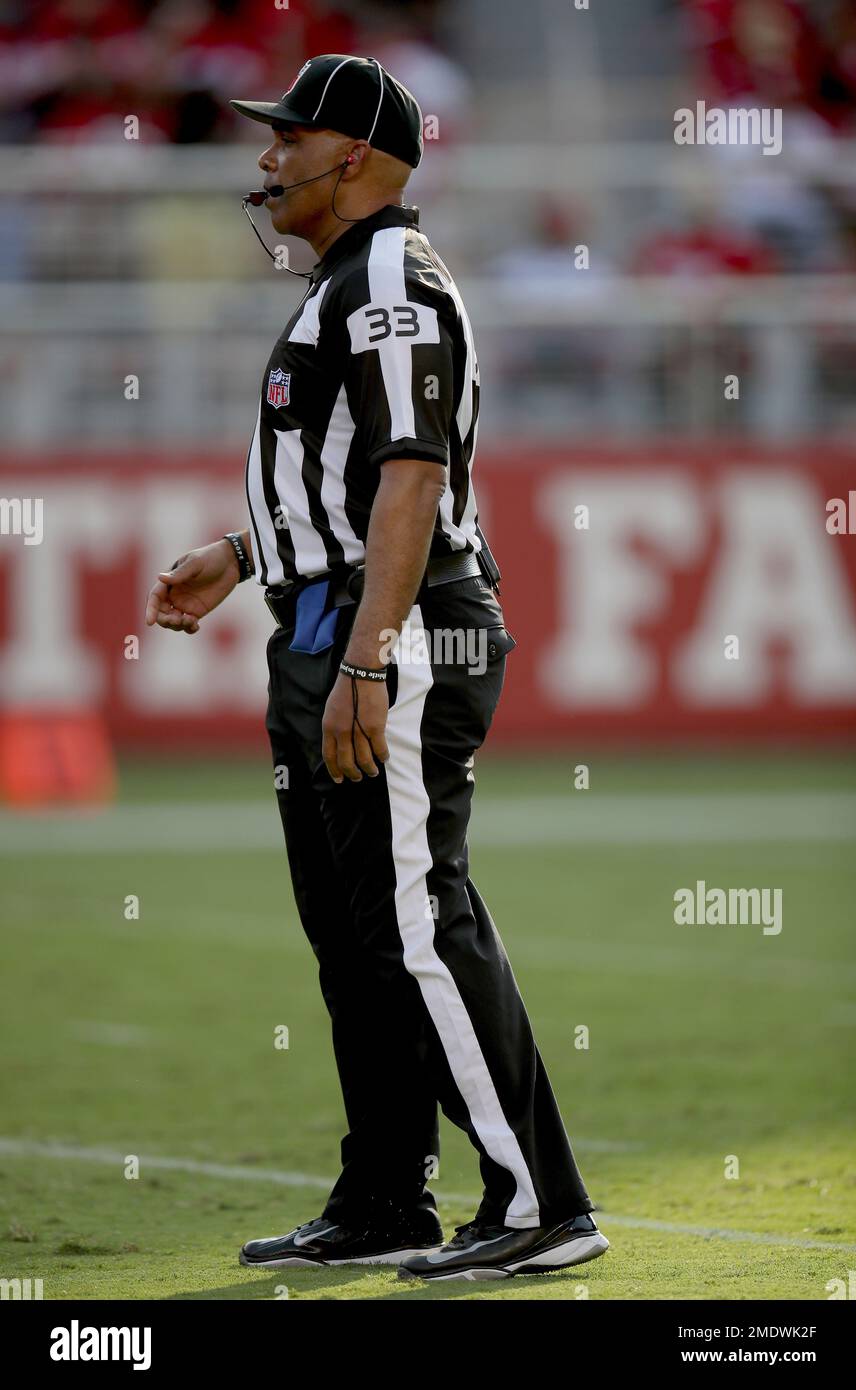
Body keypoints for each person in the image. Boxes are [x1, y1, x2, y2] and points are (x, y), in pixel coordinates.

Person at [145, 52, 608, 1283]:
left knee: (413, 915)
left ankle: (535, 1201)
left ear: (353, 155)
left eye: (290, 137)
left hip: (386, 630)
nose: (267, 157)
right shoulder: (348, 281)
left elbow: (412, 475)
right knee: (353, 936)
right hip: (328, 618)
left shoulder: (391, 271)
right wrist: (248, 552)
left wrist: (369, 653)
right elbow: (361, 477)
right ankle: (384, 1196)